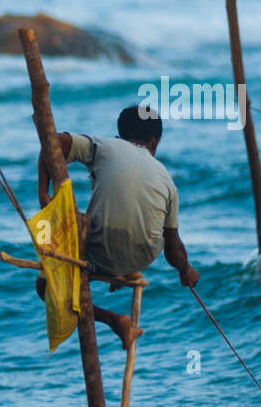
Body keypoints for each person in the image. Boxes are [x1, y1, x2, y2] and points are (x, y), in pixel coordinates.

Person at [36, 105, 198, 349]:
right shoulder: (167, 181)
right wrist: (186, 269)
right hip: (142, 257)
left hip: (101, 251)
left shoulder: (106, 146)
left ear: (120, 135)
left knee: (45, 286)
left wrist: (42, 192)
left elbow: (55, 141)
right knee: (105, 253)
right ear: (156, 141)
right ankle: (120, 274)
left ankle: (114, 321)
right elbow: (173, 249)